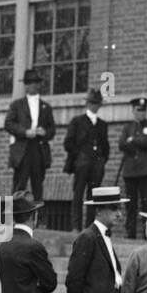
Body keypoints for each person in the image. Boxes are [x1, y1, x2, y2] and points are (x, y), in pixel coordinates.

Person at [4, 68, 57, 202]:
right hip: (23, 150)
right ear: (26, 86)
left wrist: (44, 132)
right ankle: (15, 218)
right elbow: (9, 124)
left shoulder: (46, 107)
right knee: (19, 186)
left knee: (38, 186)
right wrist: (25, 132)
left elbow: (52, 129)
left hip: (38, 150)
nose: (33, 85)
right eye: (30, 83)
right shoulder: (17, 105)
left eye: (35, 82)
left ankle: (36, 219)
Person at [63, 87, 110, 231]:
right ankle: (76, 226)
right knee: (78, 194)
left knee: (93, 196)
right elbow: (68, 143)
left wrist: (102, 160)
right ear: (88, 104)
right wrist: (80, 156)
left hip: (96, 164)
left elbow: (105, 145)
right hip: (82, 164)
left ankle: (90, 226)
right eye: (92, 103)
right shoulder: (77, 121)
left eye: (97, 103)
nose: (94, 106)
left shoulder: (102, 124)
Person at [118, 96, 147, 238]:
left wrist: (134, 140)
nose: (141, 113)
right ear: (133, 111)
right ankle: (130, 234)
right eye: (138, 110)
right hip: (130, 172)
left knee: (146, 205)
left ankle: (146, 235)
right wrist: (138, 142)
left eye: (143, 111)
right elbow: (122, 144)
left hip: (146, 171)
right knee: (130, 205)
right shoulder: (127, 127)